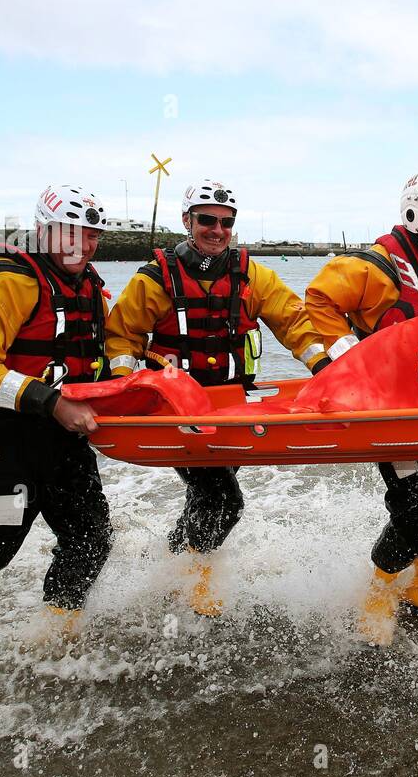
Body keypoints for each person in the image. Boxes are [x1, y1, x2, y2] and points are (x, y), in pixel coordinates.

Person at [104, 179, 328, 616]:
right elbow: (122, 335)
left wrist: (325, 369)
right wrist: (124, 388)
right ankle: (196, 580)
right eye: (207, 220)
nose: (217, 230)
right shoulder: (155, 278)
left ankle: (172, 565)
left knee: (208, 496)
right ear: (187, 221)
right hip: (175, 408)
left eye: (226, 222)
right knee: (225, 501)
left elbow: (293, 321)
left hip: (232, 408)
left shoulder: (252, 276)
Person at [304, 165, 418, 645]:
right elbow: (318, 300)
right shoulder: (374, 266)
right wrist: (350, 357)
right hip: (391, 410)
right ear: (415, 217)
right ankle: (378, 594)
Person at [0, 185, 114, 634]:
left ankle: (56, 630)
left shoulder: (91, 288)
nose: (83, 245)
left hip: (65, 438)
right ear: (43, 230)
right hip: (3, 439)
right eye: (72, 232)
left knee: (91, 537)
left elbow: (105, 356)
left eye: (92, 235)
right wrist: (52, 403)